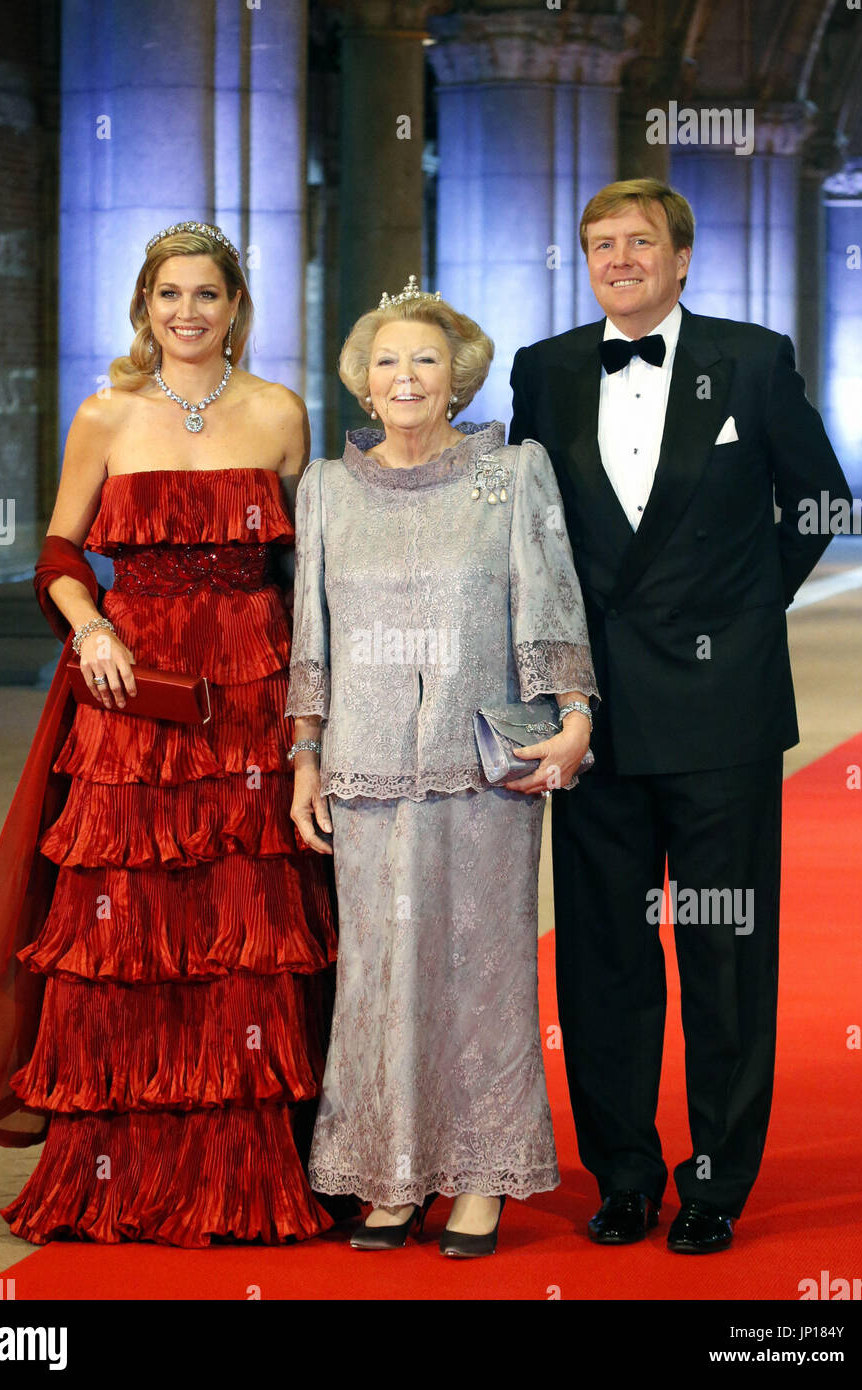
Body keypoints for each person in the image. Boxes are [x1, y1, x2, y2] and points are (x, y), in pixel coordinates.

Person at [0, 221, 339, 1245]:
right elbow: (60, 552)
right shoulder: (106, 415)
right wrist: (93, 623)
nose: (189, 313)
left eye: (208, 295)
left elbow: (320, 572)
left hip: (252, 684)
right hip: (135, 694)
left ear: (237, 306)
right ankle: (118, 1171)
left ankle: (250, 1171)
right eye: (170, 295)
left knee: (244, 927)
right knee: (126, 927)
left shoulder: (281, 414)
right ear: (143, 306)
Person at [509, 178, 852, 1253]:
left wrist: (745, 608)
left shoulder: (753, 358)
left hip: (723, 711)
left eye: (640, 242)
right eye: (600, 243)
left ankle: (714, 1181)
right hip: (592, 709)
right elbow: (530, 528)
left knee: (722, 952)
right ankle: (623, 1173)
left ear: (682, 256)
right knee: (604, 955)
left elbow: (816, 500)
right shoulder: (547, 368)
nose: (619, 259)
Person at [286, 276, 598, 1257]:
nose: (406, 375)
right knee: (378, 976)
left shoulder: (513, 472)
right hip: (366, 767)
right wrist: (303, 753)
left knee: (481, 972)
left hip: (481, 762)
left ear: (457, 379)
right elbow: (311, 638)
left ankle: (476, 1176)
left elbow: (547, 598)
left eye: (426, 358)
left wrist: (577, 713)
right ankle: (388, 1172)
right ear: (364, 384)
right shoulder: (328, 487)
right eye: (387, 360)